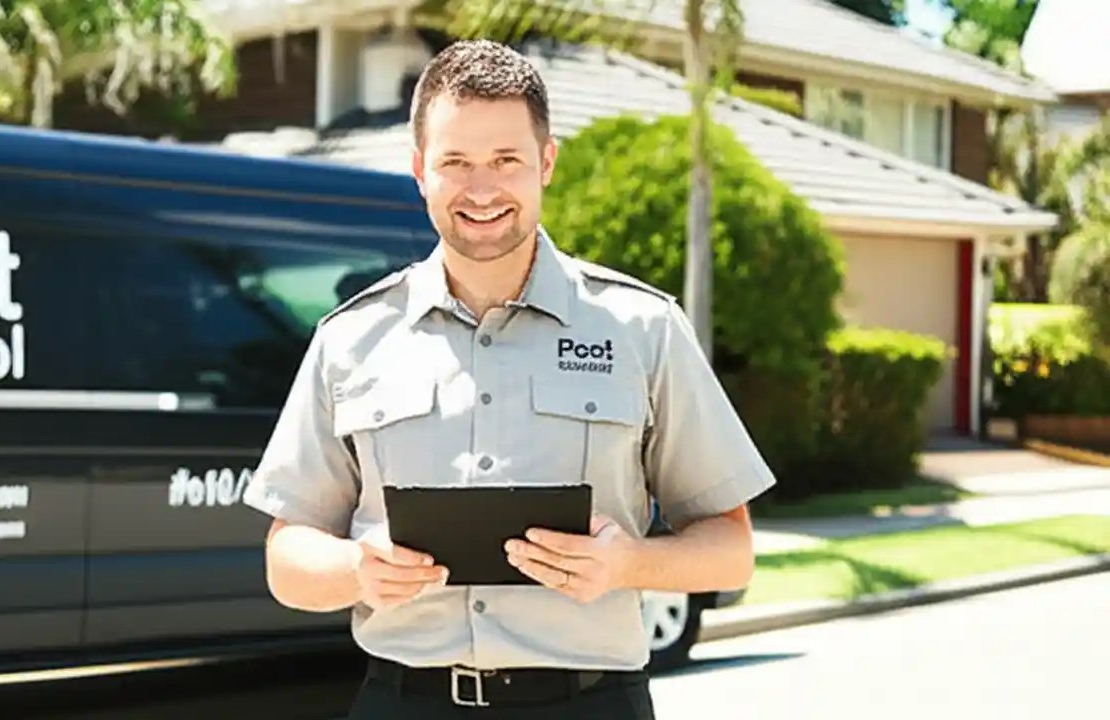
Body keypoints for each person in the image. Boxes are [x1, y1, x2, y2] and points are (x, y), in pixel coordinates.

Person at [243, 39, 777, 719]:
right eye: (456, 163)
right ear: (419, 170)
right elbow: (286, 560)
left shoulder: (642, 328)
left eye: (506, 161)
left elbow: (731, 551)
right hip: (405, 701)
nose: (483, 189)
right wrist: (357, 569)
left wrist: (628, 565)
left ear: (546, 162)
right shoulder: (350, 338)